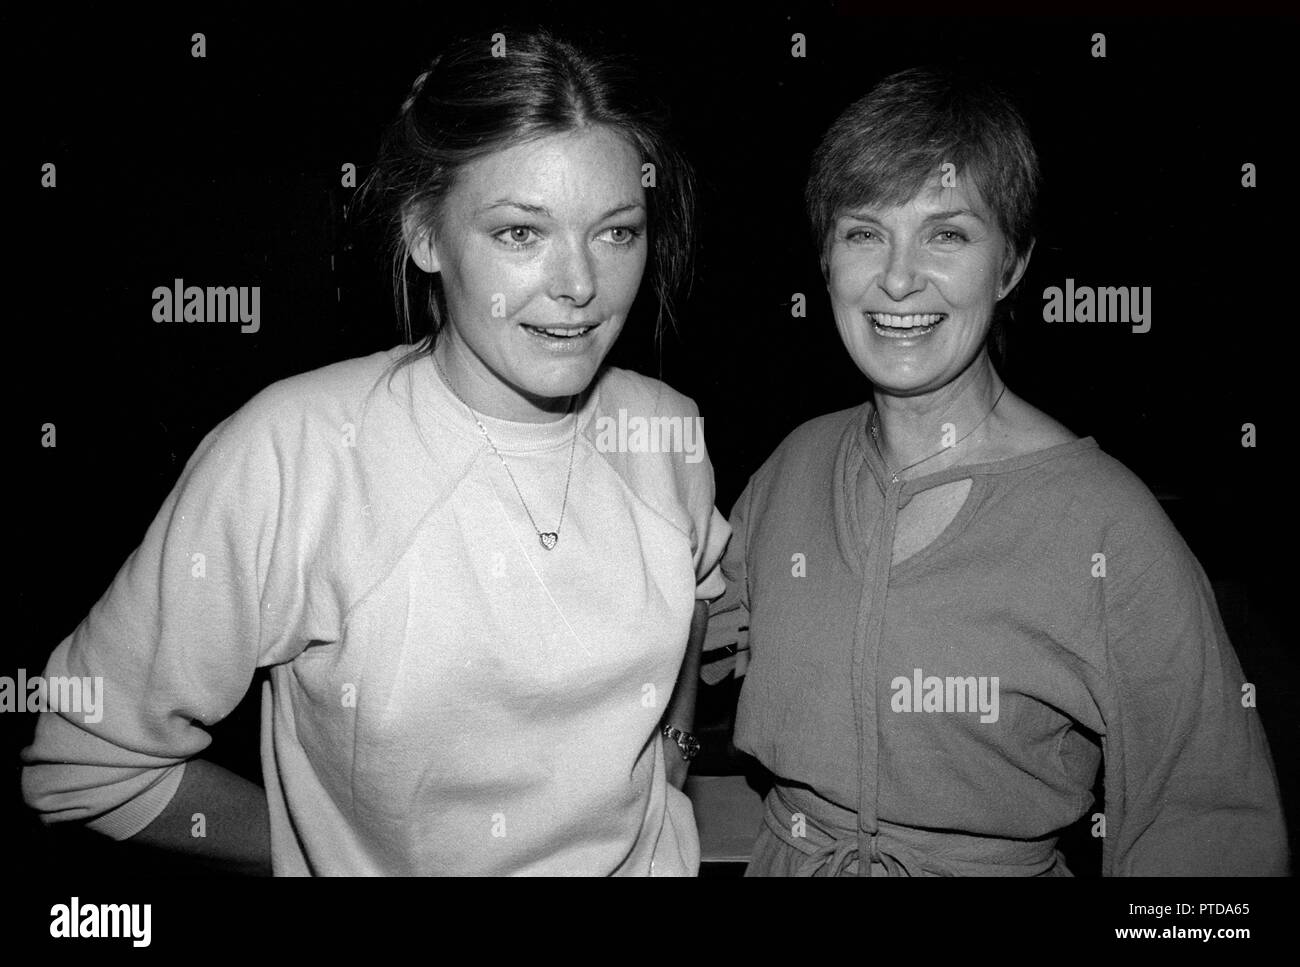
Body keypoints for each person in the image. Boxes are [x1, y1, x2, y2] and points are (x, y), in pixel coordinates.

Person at [21, 29, 730, 876]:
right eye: (519, 233)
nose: (580, 284)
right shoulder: (294, 452)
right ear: (425, 235)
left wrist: (676, 755)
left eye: (617, 232)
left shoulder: (665, 428)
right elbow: (84, 761)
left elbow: (696, 595)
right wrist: (313, 856)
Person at [704, 67, 1288, 876]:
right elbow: (672, 644)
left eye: (947, 234)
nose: (899, 278)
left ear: (1011, 265)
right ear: (827, 262)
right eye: (864, 232)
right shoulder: (795, 464)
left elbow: (1214, 833)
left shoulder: (1106, 524)